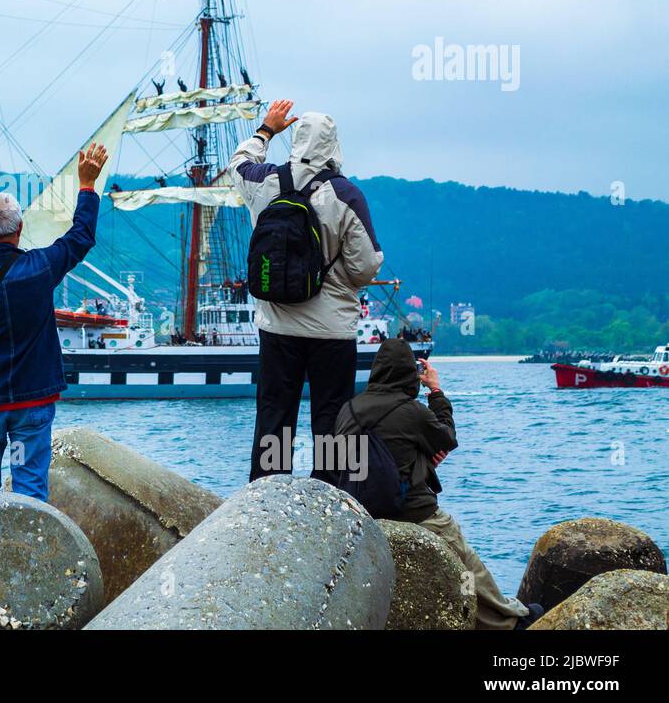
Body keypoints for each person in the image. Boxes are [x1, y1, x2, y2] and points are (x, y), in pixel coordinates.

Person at [0, 142, 109, 501]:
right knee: (30, 485)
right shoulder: (41, 268)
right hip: (32, 402)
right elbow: (81, 236)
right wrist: (87, 185)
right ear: (20, 228)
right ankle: (28, 553)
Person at [333, 340, 544, 629]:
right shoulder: (412, 411)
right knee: (466, 564)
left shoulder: (349, 410)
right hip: (414, 511)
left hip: (363, 514)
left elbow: (356, 460)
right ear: (412, 372)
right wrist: (436, 391)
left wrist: (420, 462)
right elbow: (447, 438)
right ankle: (507, 621)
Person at [229, 99, 383, 482]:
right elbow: (364, 268)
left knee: (275, 414)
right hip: (332, 330)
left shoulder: (264, 180)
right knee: (333, 417)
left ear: (295, 140)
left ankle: (268, 493)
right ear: (334, 146)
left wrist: (266, 130)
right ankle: (330, 496)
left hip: (277, 326)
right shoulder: (347, 195)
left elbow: (236, 164)